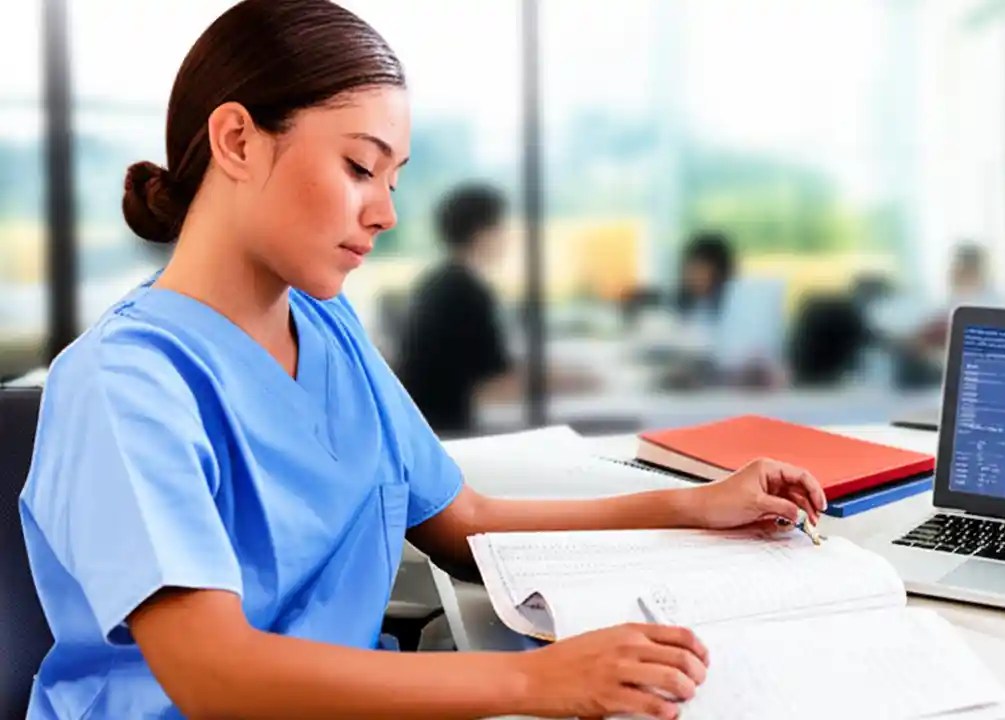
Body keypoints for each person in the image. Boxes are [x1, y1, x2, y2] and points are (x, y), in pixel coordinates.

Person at [17, 2, 827, 719]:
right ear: (237, 140)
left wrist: (693, 508)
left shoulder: (325, 325)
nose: (386, 212)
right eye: (360, 167)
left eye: (394, 179)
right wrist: (540, 682)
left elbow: (461, 524)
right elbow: (214, 676)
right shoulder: (123, 383)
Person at [396, 183, 512, 435]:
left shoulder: (436, 281)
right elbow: (495, 382)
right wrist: (578, 380)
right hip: (446, 431)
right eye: (501, 227)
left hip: (420, 424)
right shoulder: (467, 292)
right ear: (481, 233)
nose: (507, 237)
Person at [675, 231, 736, 323]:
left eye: (699, 269)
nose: (690, 277)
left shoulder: (731, 307)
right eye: (689, 269)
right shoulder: (683, 301)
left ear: (719, 273)